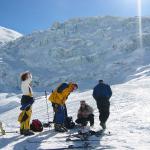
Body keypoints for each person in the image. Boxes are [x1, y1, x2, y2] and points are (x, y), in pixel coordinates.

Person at [18, 71, 34, 136]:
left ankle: (22, 129)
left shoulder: (25, 83)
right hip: (27, 99)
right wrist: (30, 74)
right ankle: (26, 130)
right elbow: (30, 79)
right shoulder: (25, 83)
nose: (29, 77)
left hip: (26, 99)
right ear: (26, 77)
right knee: (27, 115)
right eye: (28, 76)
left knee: (24, 115)